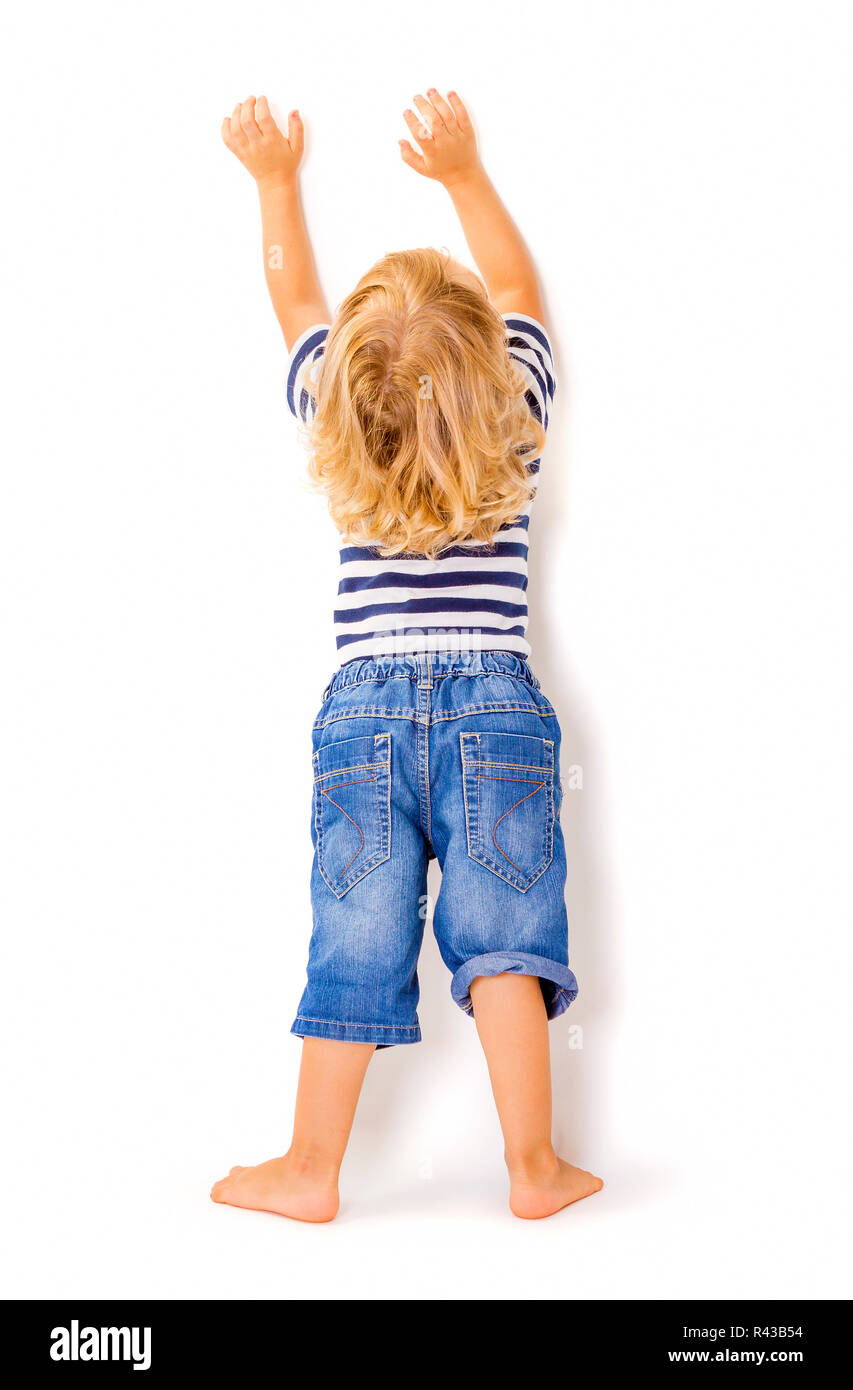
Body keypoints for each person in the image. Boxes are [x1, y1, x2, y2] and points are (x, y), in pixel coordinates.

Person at [212, 88, 602, 1221]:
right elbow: (520, 291)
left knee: (352, 936)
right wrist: (464, 174)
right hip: (497, 710)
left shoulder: (332, 416)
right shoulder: (514, 412)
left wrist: (274, 181)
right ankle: (533, 1170)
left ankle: (308, 1170)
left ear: (344, 394)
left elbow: (291, 294)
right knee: (506, 943)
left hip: (364, 717)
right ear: (485, 368)